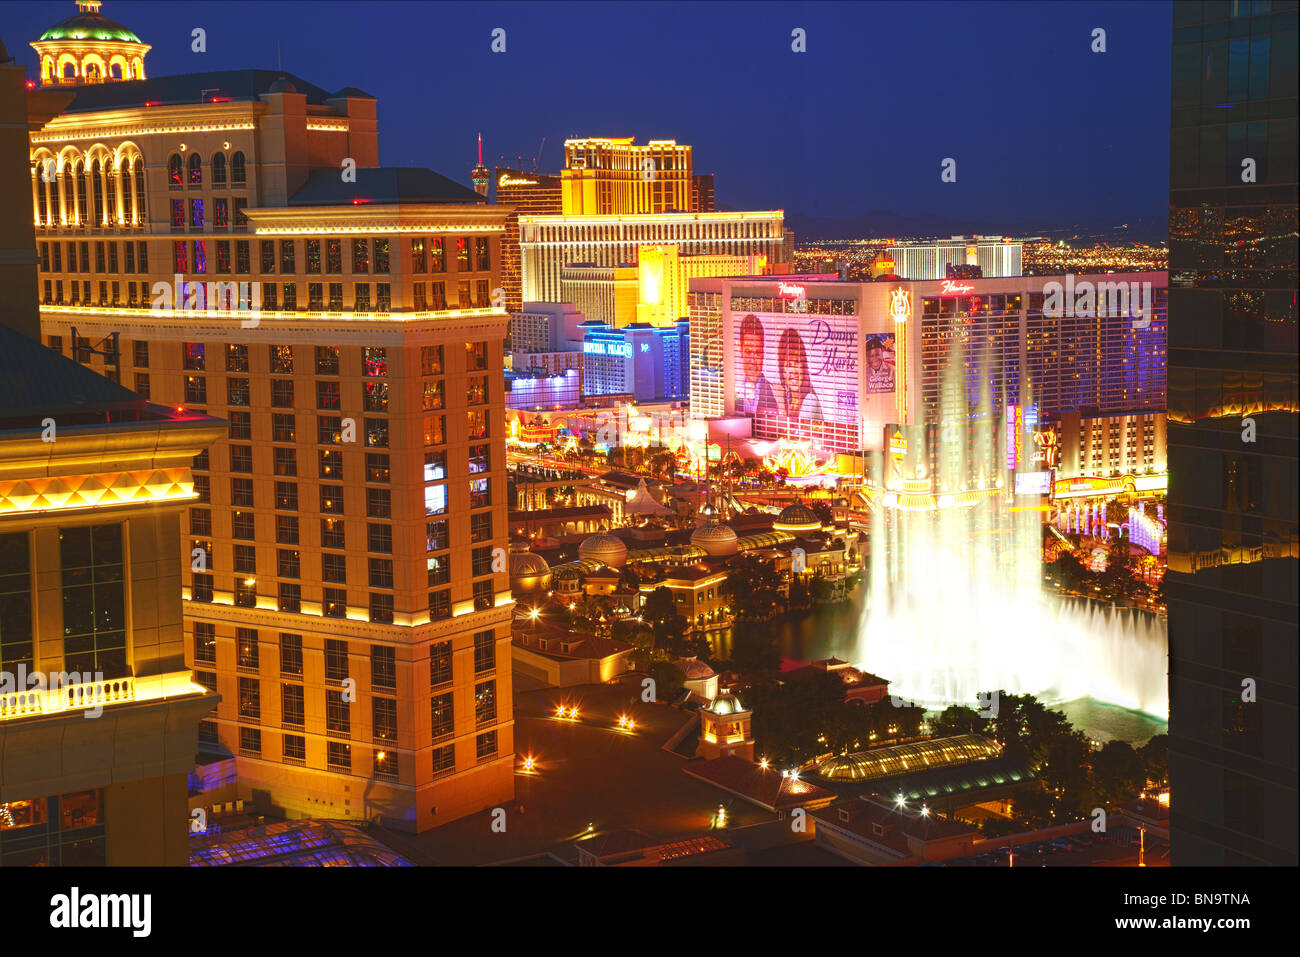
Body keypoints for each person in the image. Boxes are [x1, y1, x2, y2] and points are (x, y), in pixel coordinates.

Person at [777, 328, 822, 421]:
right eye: (789, 365)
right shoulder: (786, 400)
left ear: (803, 367)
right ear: (783, 372)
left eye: (797, 362)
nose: (793, 371)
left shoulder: (810, 401)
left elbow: (791, 428)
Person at [737, 314, 778, 416]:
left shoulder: (775, 395)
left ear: (763, 354)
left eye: (758, 353)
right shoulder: (733, 392)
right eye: (748, 352)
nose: (753, 360)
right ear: (741, 352)